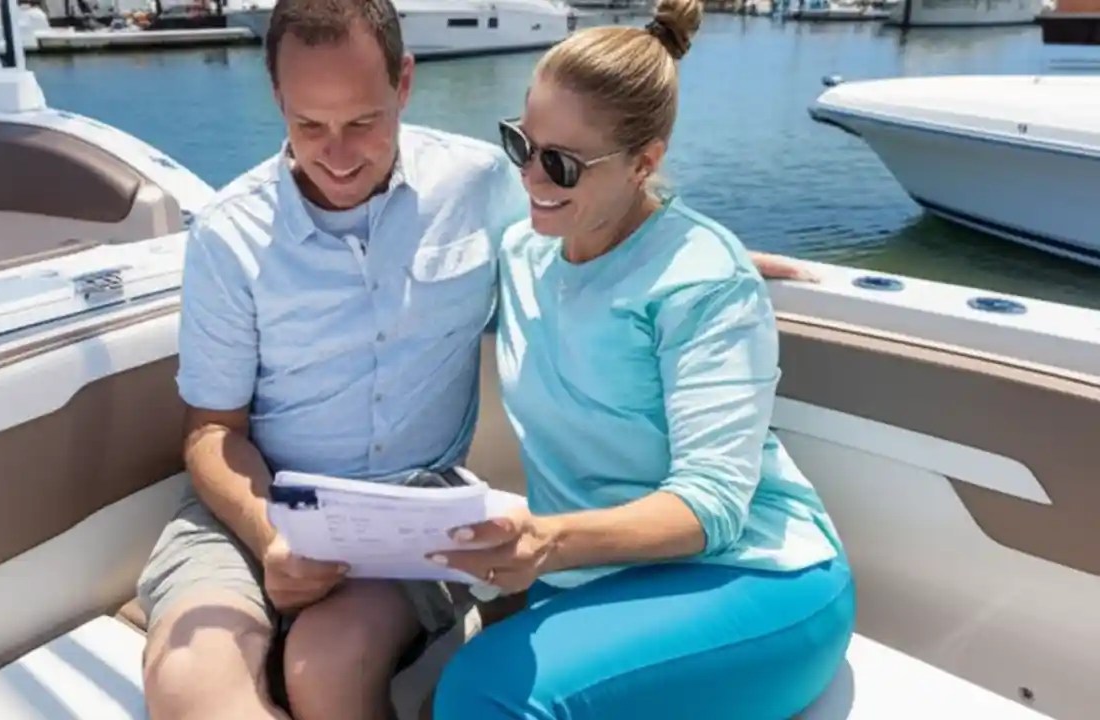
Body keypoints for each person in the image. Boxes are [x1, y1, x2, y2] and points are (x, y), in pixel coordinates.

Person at [134, 0, 819, 718]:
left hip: (408, 511)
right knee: (190, 681)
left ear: (404, 83)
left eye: (362, 122)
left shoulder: (487, 184)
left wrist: (697, 248)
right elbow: (212, 430)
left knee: (323, 665)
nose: (336, 154)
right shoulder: (226, 232)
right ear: (276, 97)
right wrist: (273, 536)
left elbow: (608, 208)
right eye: (309, 125)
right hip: (255, 507)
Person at [426, 2, 855, 719]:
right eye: (520, 144)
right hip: (601, 577)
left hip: (761, 578)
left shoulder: (701, 280)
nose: (532, 176)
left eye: (559, 162)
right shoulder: (524, 255)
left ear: (644, 163)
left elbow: (714, 507)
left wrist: (549, 541)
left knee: (481, 697)